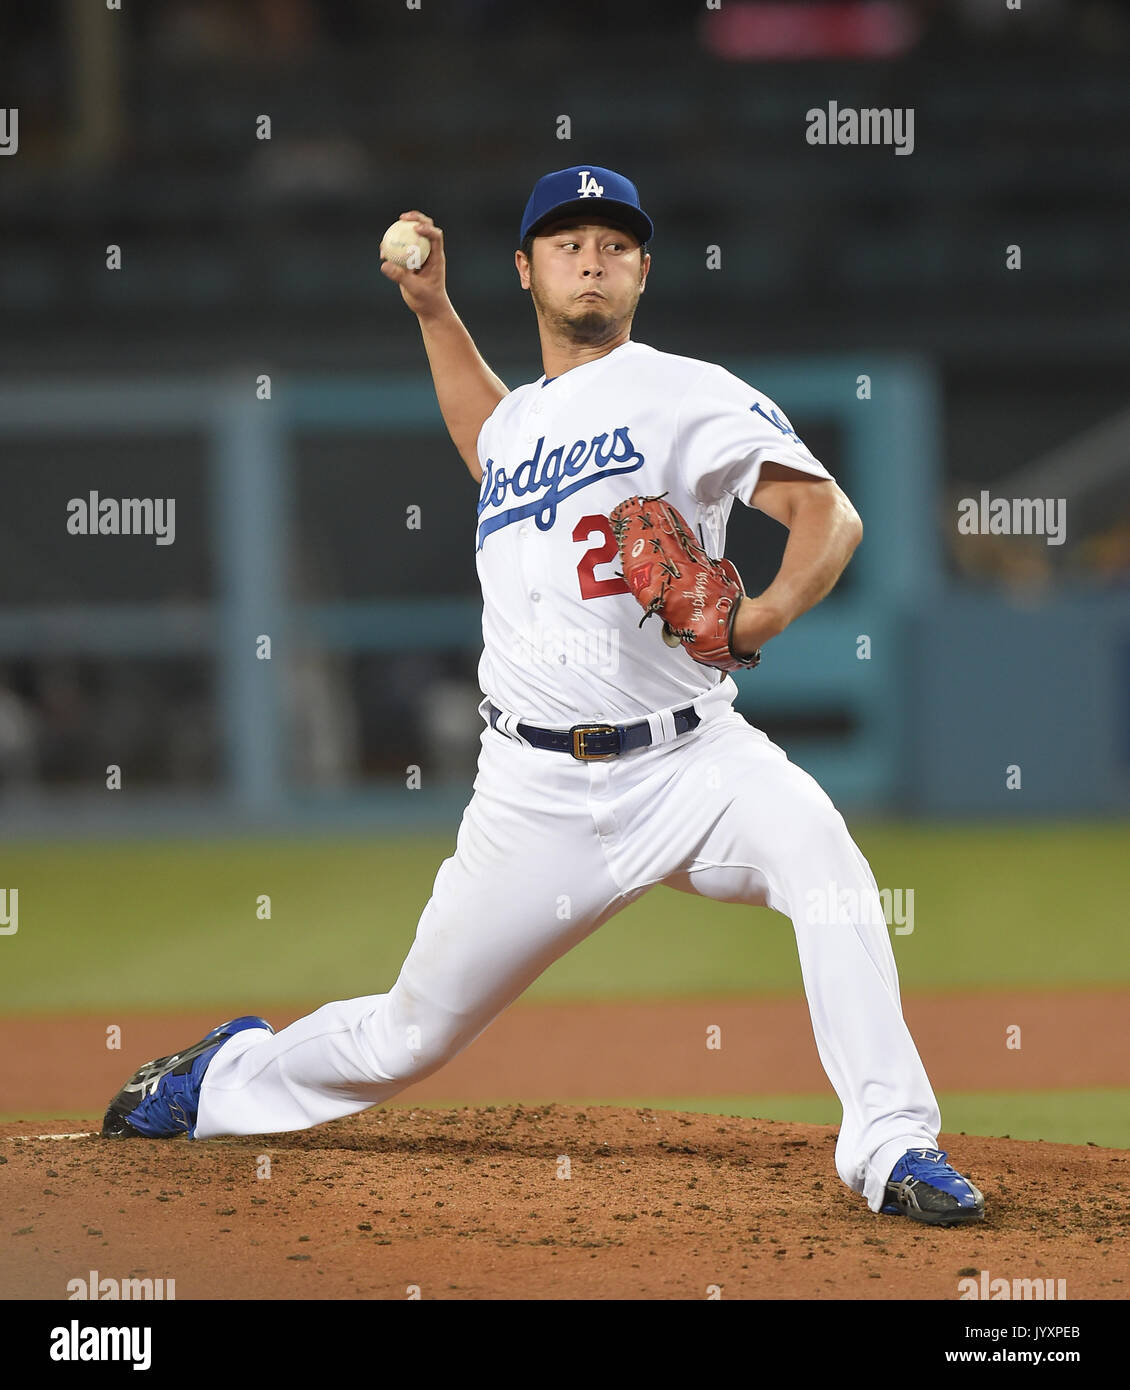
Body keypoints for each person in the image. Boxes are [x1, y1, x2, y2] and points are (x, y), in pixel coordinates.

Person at [103, 165, 984, 1227]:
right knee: (406, 1037)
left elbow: (826, 517)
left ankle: (890, 1143)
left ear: (642, 272)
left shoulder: (681, 389)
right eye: (567, 242)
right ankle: (225, 1076)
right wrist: (432, 310)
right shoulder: (521, 425)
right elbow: (489, 438)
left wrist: (759, 618)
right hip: (530, 795)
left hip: (690, 765)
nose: (591, 258)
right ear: (525, 270)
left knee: (824, 860)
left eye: (613, 244)